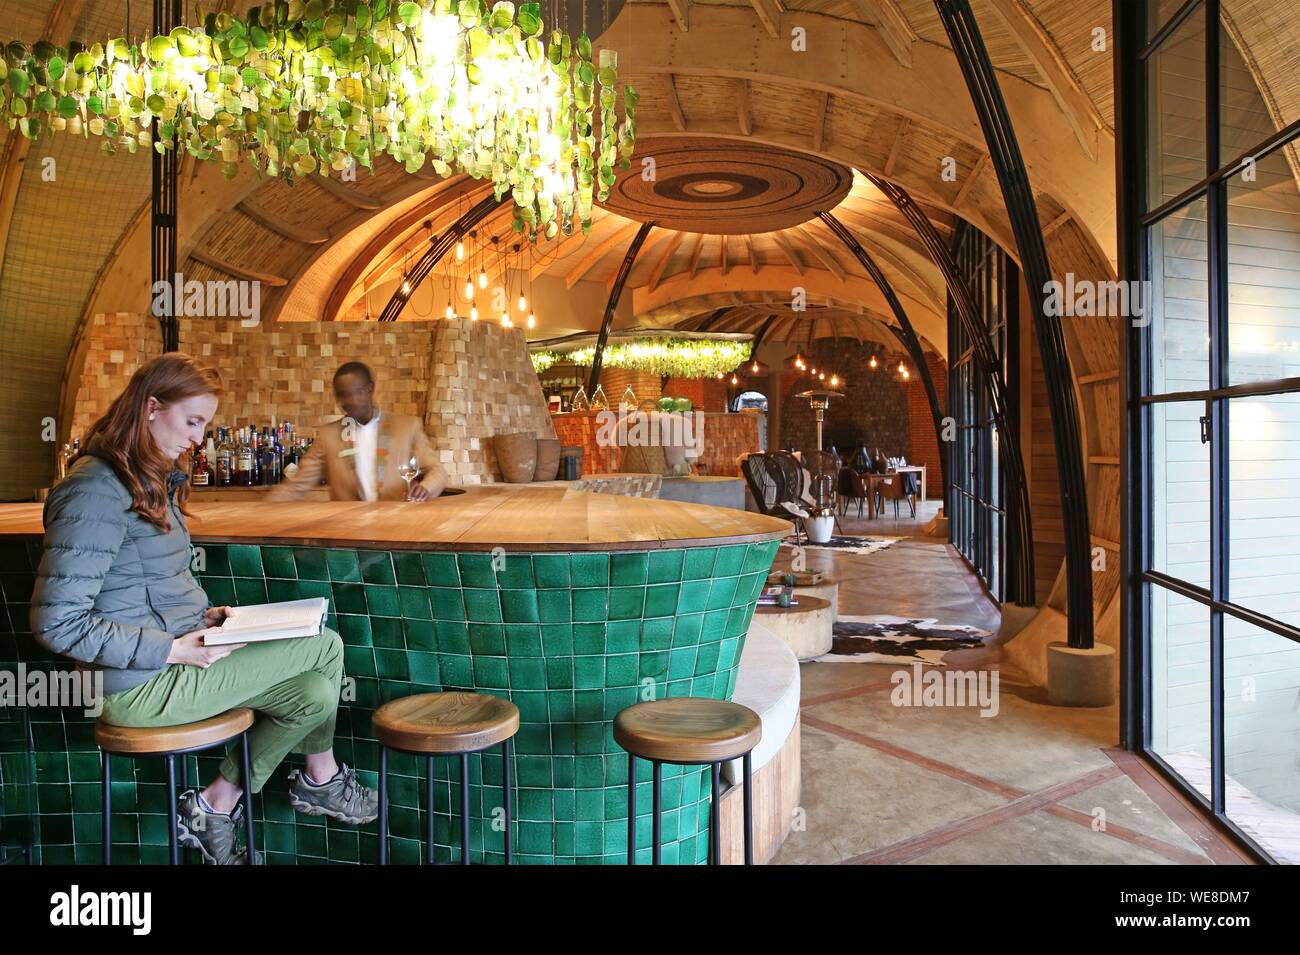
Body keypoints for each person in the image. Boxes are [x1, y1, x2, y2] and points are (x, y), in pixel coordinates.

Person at [30, 354, 378, 865]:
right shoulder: (95, 490)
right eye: (192, 421)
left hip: (167, 662)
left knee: (315, 692)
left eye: (205, 426)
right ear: (151, 407)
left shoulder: (145, 476)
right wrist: (171, 647)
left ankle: (216, 805)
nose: (197, 438)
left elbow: (150, 582)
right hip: (138, 685)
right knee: (323, 644)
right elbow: (57, 623)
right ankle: (319, 779)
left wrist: (205, 618)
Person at [270, 361, 448, 502]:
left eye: (353, 393)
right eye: (341, 395)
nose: (346, 401)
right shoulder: (328, 436)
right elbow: (297, 485)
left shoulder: (407, 427)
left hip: (397, 524)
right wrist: (256, 510)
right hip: (349, 532)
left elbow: (437, 471)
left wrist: (425, 488)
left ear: (370, 389)